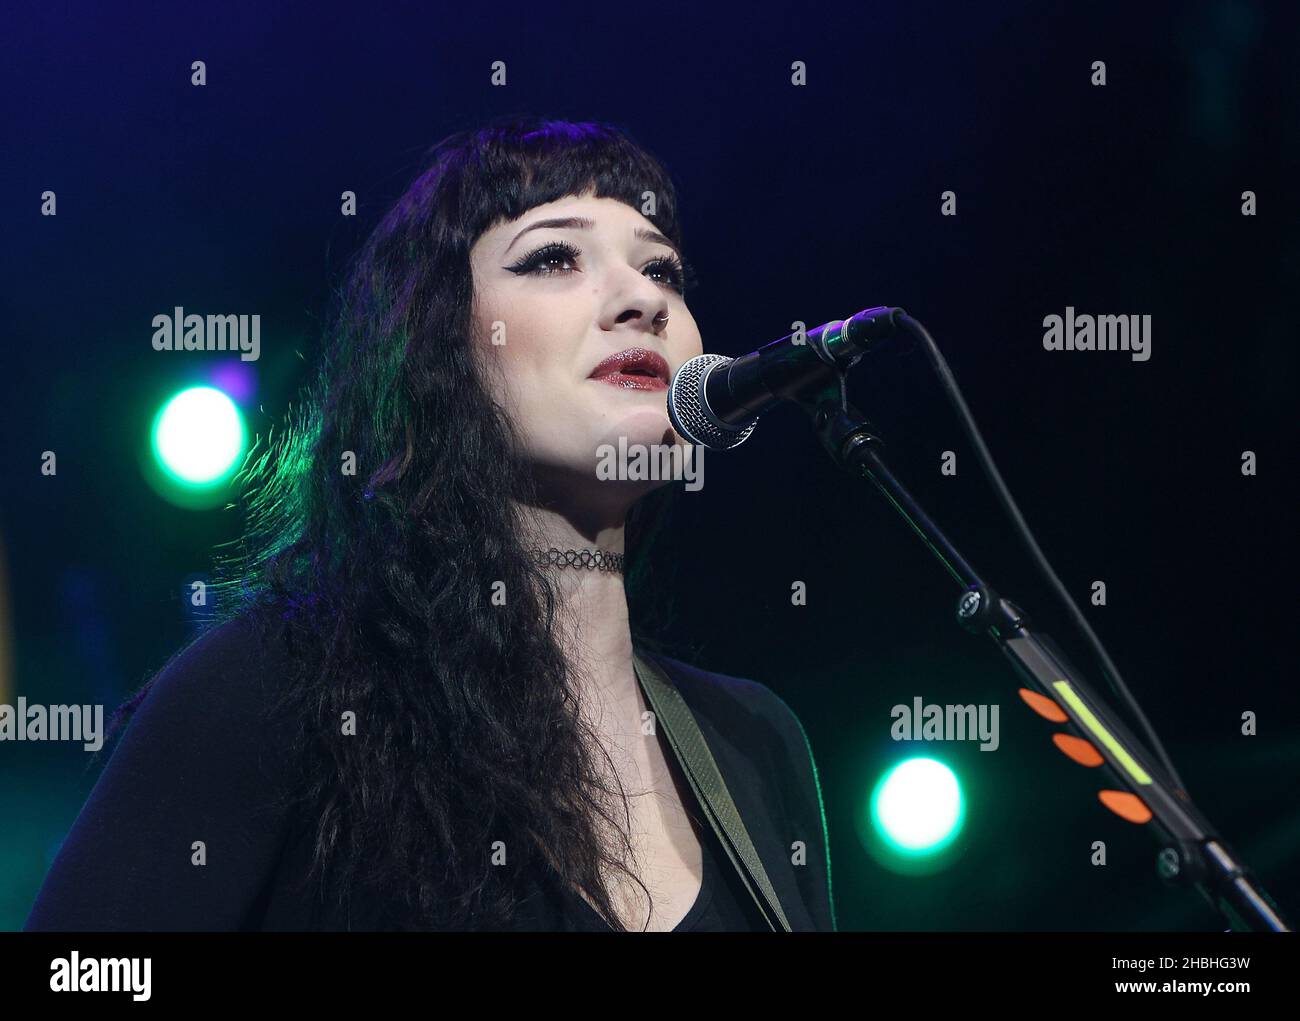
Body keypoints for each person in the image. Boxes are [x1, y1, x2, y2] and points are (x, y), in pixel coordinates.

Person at [24, 116, 835, 932]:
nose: (643, 299)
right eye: (555, 256)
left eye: (663, 268)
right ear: (437, 345)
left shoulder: (756, 743)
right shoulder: (278, 689)